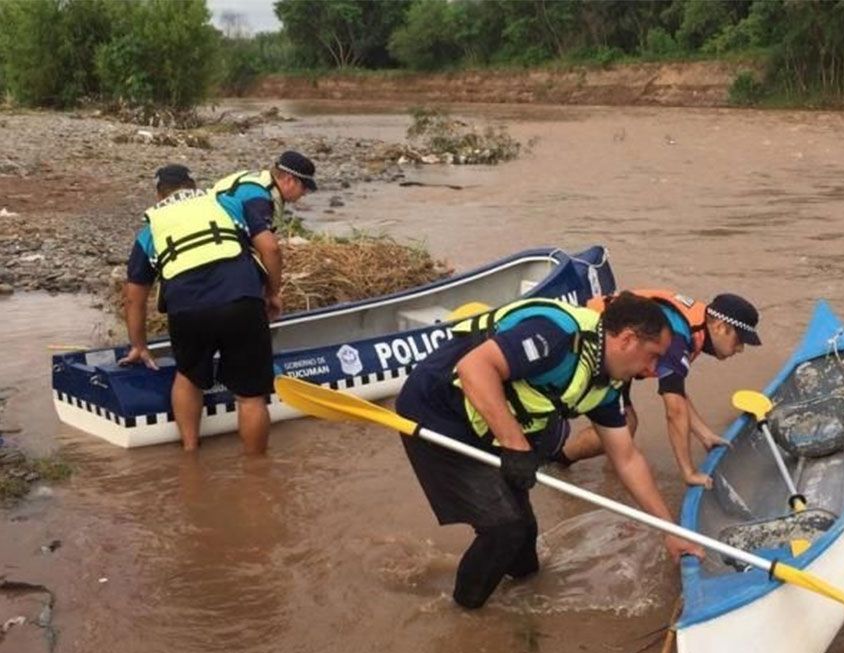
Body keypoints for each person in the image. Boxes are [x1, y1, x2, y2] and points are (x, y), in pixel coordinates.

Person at [394, 292, 705, 609]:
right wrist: (515, 445)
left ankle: (490, 581)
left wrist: (670, 531)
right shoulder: (556, 335)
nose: (654, 370)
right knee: (504, 529)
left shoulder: (606, 387)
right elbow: (475, 367)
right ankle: (463, 613)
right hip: (437, 413)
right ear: (627, 339)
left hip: (491, 424)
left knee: (524, 551)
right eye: (653, 356)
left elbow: (627, 459)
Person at [118, 151, 317, 453]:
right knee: (251, 396)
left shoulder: (150, 230)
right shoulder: (226, 203)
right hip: (241, 300)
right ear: (193, 185)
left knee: (187, 378)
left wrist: (139, 345)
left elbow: (133, 297)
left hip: (187, 309)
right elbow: (270, 249)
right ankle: (257, 473)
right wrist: (273, 292)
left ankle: (190, 453)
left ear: (159, 195)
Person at [555, 291, 761, 488]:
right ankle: (558, 460)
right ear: (719, 326)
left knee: (623, 425)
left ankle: (567, 461)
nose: (740, 349)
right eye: (739, 340)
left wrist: (704, 434)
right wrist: (688, 472)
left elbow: (676, 390)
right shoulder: (679, 338)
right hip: (602, 348)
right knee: (625, 425)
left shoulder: (693, 327)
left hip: (623, 351)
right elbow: (675, 410)